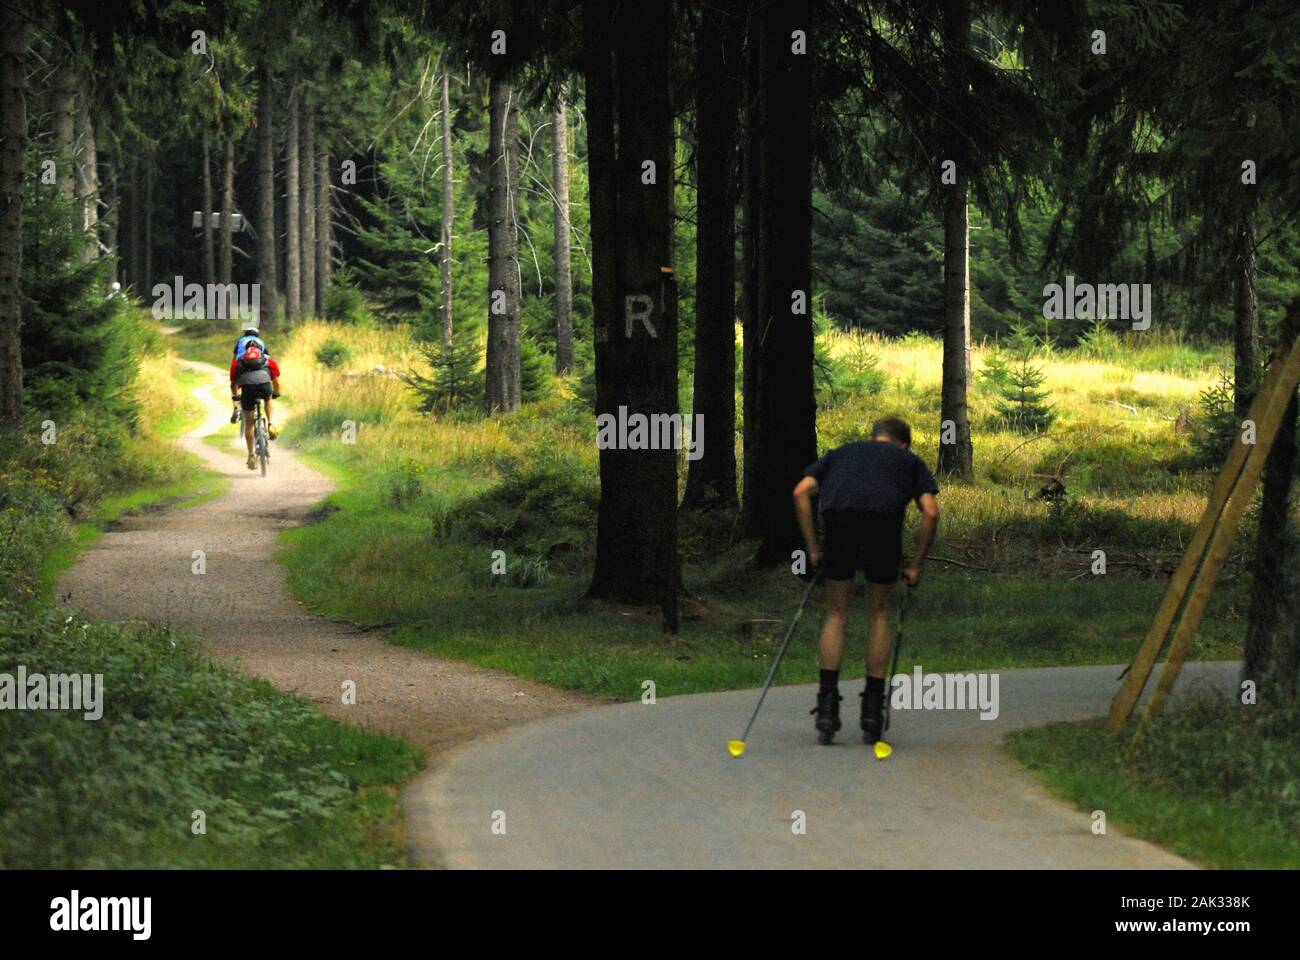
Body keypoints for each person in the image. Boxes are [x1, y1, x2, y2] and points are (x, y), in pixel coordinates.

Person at [792, 416, 941, 746]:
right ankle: (872, 710)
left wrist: (813, 548)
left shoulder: (840, 453)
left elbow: (801, 491)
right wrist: (915, 565)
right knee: (878, 612)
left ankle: (828, 707)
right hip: (883, 526)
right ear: (904, 443)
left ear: (874, 437)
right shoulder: (910, 461)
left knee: (836, 613)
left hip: (839, 522)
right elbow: (930, 511)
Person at [229, 340, 281, 470]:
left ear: (246, 350)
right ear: (261, 350)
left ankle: (251, 455)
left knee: (250, 424)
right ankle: (270, 425)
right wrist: (275, 393)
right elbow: (275, 380)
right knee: (268, 399)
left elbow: (233, 383)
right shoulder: (267, 359)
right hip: (264, 386)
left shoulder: (239, 360)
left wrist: (235, 396)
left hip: (248, 390)